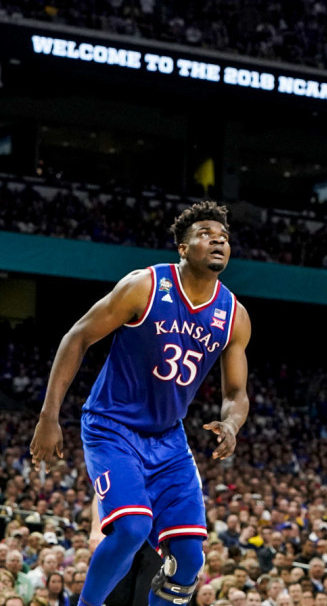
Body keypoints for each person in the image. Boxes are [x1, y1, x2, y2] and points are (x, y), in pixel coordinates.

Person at [29, 202, 252, 606]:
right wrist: (49, 416)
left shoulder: (234, 315)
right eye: (205, 234)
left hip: (168, 438)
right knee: (132, 528)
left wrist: (232, 424)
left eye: (223, 236)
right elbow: (78, 336)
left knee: (189, 558)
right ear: (183, 248)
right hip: (112, 426)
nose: (218, 240)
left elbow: (236, 394)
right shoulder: (145, 285)